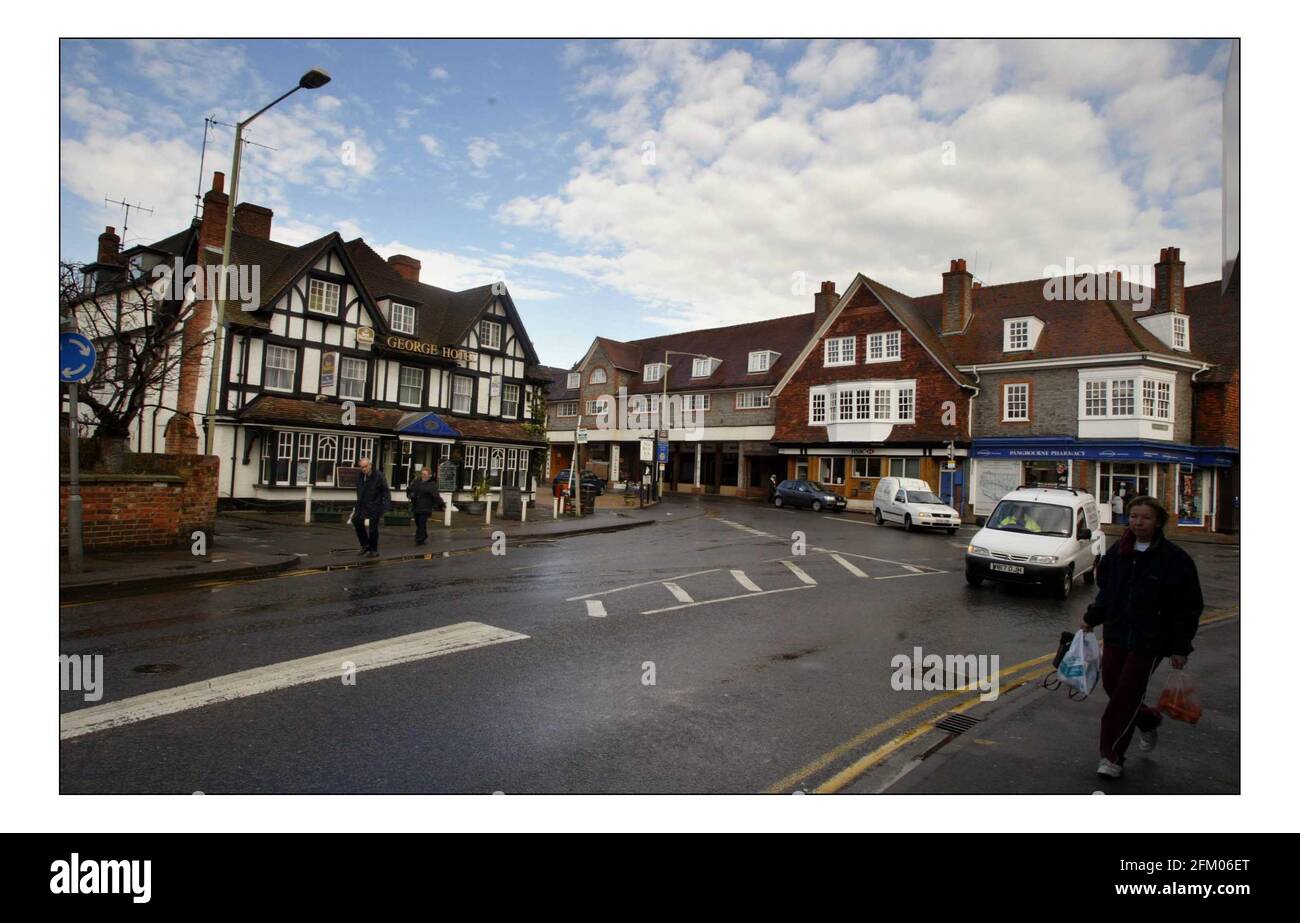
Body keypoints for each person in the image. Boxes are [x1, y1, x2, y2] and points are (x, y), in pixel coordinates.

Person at [1081, 495, 1203, 779]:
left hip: (1150, 641)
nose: (1138, 522)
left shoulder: (1175, 560)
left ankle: (1111, 757)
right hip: (1116, 633)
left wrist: (1180, 647)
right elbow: (1107, 591)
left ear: (1158, 521)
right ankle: (1147, 720)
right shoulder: (1118, 552)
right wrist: (1091, 618)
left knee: (1125, 697)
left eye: (1146, 517)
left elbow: (1187, 607)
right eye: (1134, 516)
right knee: (1113, 685)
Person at [352, 457, 391, 557]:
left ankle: (374, 550)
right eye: (362, 467)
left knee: (373, 528)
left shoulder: (379, 476)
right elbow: (359, 491)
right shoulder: (360, 476)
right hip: (362, 504)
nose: (364, 469)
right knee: (356, 520)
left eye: (365, 466)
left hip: (375, 505)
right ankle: (365, 545)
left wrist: (385, 507)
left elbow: (385, 491)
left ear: (370, 465)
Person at [406, 466, 443, 545]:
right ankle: (424, 534)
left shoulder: (431, 484)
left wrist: (441, 504)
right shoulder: (416, 482)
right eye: (422, 474)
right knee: (418, 522)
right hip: (416, 506)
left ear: (429, 475)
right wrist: (410, 494)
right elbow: (410, 489)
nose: (424, 475)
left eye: (425, 474)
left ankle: (419, 539)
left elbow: (436, 496)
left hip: (426, 507)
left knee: (422, 523)